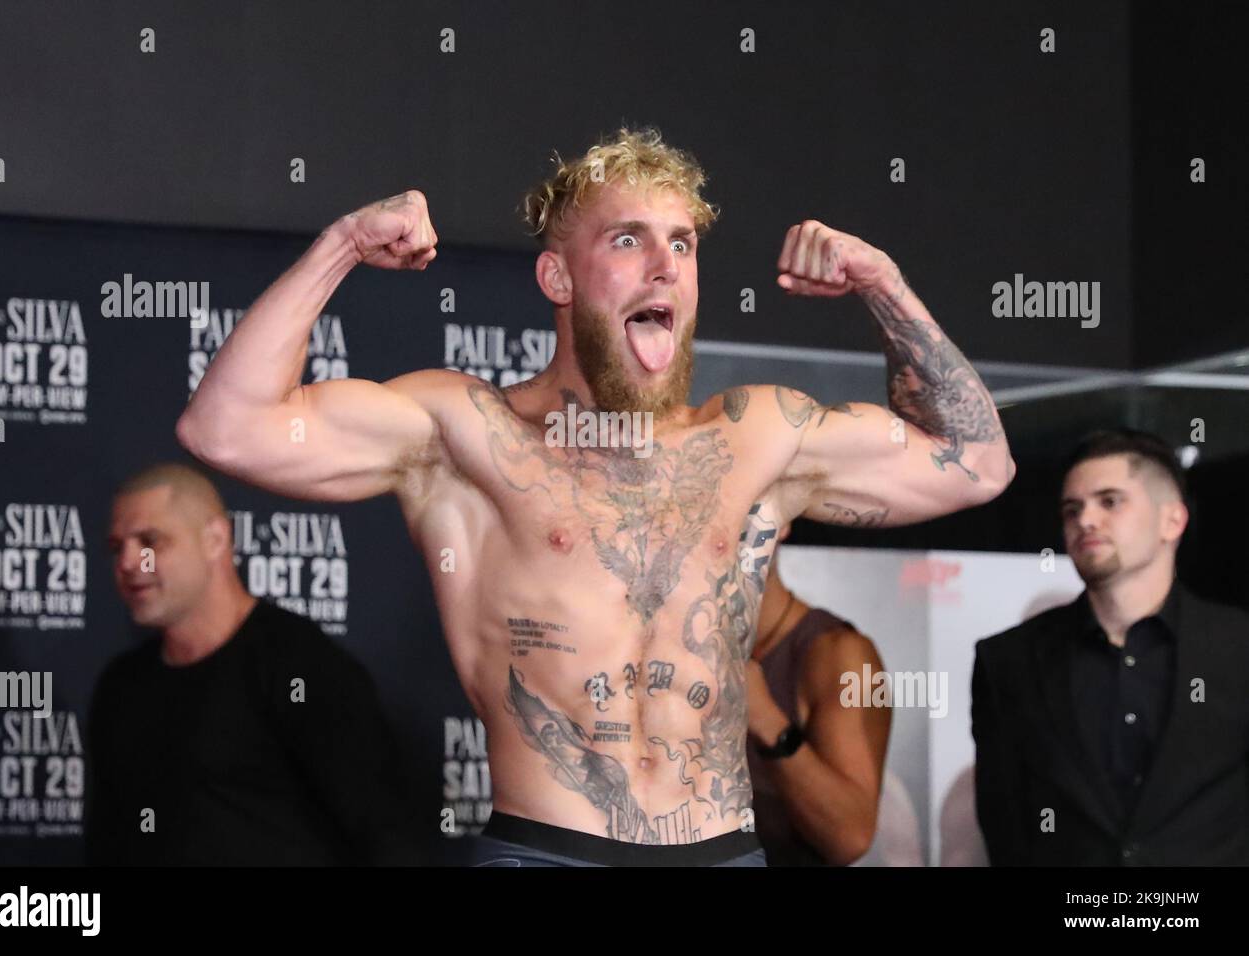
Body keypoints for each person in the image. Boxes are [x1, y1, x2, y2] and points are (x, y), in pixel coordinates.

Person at [177, 127, 1015, 866]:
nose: (666, 266)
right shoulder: (469, 436)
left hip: (725, 851)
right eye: (629, 240)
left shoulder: (757, 438)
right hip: (550, 851)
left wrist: (882, 281)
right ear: (558, 276)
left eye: (683, 245)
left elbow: (979, 462)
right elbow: (227, 429)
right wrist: (344, 244)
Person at [86, 463, 403, 865]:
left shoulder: (300, 665)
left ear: (215, 539)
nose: (129, 562)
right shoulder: (121, 687)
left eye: (151, 541)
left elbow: (383, 833)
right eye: (118, 547)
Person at [972, 428, 1249, 865]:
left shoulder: (1238, 648)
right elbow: (1005, 819)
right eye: (1072, 509)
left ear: (1171, 521)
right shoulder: (1008, 661)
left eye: (1110, 501)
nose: (1085, 520)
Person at [745, 524, 890, 866]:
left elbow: (850, 837)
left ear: (778, 524)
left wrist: (765, 718)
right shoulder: (669, 648)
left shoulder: (840, 655)